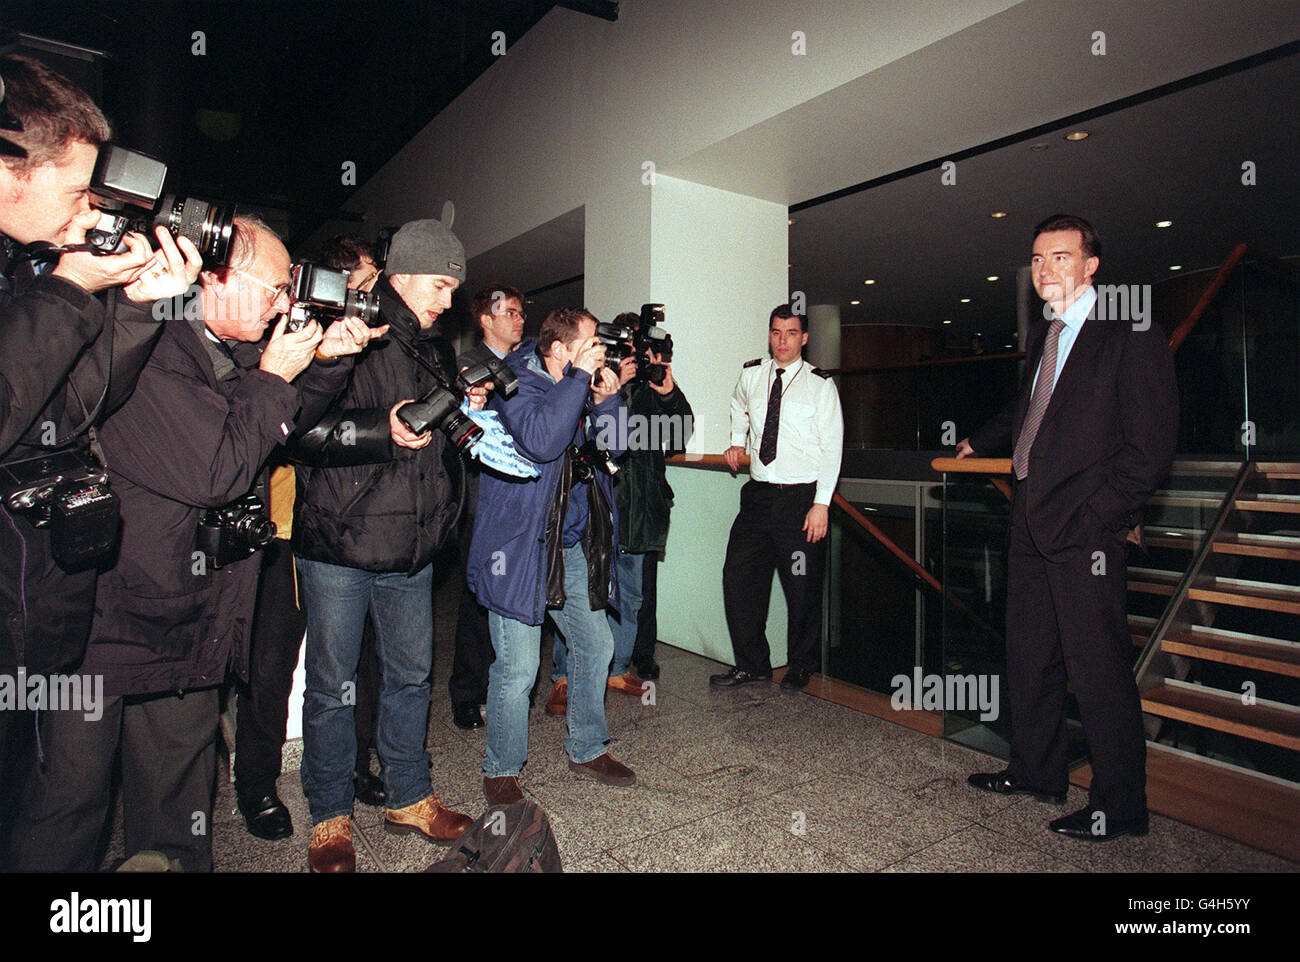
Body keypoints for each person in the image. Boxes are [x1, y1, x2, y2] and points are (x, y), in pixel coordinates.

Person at [9, 216, 377, 871]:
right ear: (215, 278)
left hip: (187, 621)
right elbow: (217, 471)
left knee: (177, 818)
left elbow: (278, 430)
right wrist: (273, 374)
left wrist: (324, 363)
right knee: (67, 812)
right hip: (105, 626)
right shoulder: (148, 344)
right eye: (271, 288)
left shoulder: (224, 348)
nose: (282, 303)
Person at [0, 53, 203, 862]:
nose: (89, 210)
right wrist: (71, 286)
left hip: (33, 602)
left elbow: (69, 407)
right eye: (77, 189)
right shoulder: (41, 277)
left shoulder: (27, 264)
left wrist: (136, 308)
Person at [959, 214, 1178, 842]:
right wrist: (981, 439)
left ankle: (1120, 806)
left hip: (1088, 532)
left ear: (1091, 265)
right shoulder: (1043, 334)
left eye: (1060, 257)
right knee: (1030, 654)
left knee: (1098, 665)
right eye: (1036, 259)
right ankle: (1037, 771)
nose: (1045, 269)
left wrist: (1095, 518)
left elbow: (1149, 452)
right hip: (1029, 518)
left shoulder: (1129, 333)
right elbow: (1033, 410)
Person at [291, 217, 478, 873]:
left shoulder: (434, 348)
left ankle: (409, 795)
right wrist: (383, 430)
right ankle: (329, 816)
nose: (448, 300)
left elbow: (444, 437)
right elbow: (296, 430)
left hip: (413, 545)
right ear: (401, 273)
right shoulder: (349, 327)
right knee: (332, 685)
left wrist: (465, 417)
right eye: (439, 283)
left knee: (409, 677)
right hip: (339, 542)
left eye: (453, 288)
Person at [233, 234, 389, 841]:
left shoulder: (366, 340)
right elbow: (293, 431)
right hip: (276, 531)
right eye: (366, 285)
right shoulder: (282, 332)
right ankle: (256, 785)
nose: (375, 297)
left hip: (344, 531)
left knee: (359, 662)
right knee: (269, 665)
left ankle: (355, 765)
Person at [467, 307, 634, 807]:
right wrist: (581, 378)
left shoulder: (581, 385)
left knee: (595, 645)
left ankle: (586, 746)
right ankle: (501, 767)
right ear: (559, 350)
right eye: (588, 346)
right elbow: (542, 440)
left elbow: (619, 448)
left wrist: (608, 400)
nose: (598, 354)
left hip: (570, 544)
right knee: (518, 667)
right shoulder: (515, 384)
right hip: (517, 548)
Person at [546, 312, 693, 714]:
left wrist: (667, 392)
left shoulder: (651, 386)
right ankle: (563, 676)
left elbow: (679, 435)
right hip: (601, 506)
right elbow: (595, 434)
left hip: (642, 511)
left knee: (630, 596)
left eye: (643, 352)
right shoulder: (597, 378)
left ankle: (617, 668)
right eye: (631, 352)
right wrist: (619, 387)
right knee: (576, 594)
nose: (639, 359)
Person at [711, 305, 843, 693]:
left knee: (801, 586)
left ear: (803, 338)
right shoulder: (752, 375)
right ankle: (752, 665)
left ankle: (802, 664)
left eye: (791, 333)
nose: (782, 340)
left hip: (801, 502)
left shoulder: (820, 386)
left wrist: (822, 504)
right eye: (775, 332)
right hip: (757, 497)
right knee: (738, 579)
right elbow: (738, 404)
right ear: (769, 335)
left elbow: (833, 448)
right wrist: (737, 440)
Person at [448, 283, 525, 730]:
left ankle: (507, 686)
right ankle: (466, 692)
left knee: (510, 597)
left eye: (520, 313)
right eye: (509, 313)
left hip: (518, 498)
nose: (518, 320)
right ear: (486, 319)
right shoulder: (467, 368)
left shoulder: (524, 365)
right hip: (481, 499)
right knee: (479, 597)